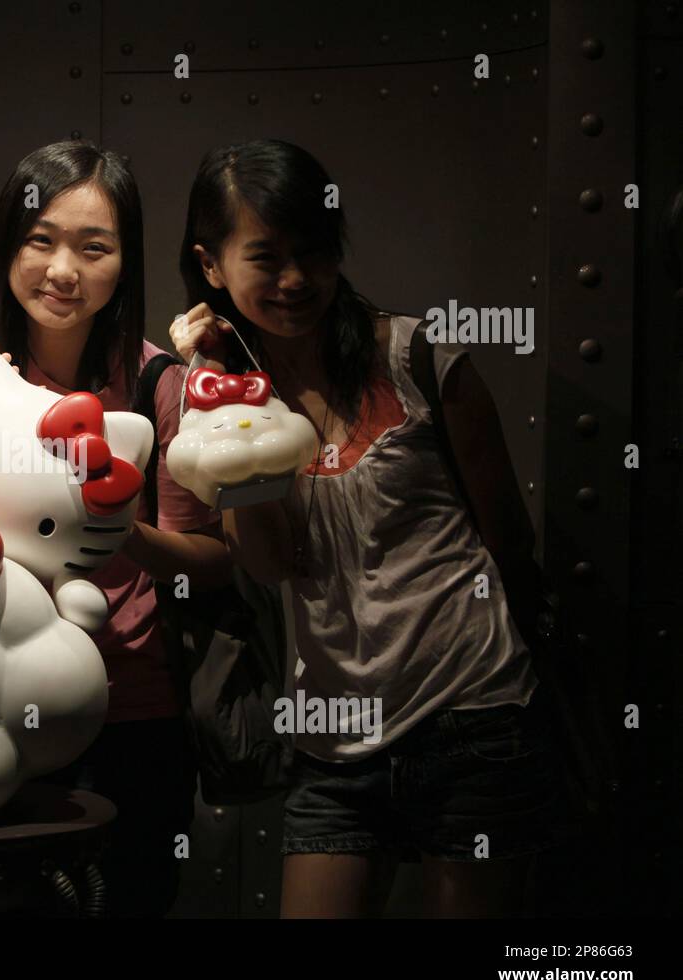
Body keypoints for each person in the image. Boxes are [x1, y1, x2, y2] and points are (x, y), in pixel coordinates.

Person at [170, 138, 570, 917]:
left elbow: (507, 540)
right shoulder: (221, 405)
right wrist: (231, 405)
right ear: (211, 266)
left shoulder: (418, 356)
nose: (295, 280)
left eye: (315, 253)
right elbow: (272, 564)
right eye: (267, 257)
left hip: (472, 714)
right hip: (334, 739)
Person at [0, 140, 234, 917]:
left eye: (93, 247)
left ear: (124, 262)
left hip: (132, 705)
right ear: (8, 245)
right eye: (41, 240)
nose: (62, 270)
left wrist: (113, 526)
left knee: (130, 898)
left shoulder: (157, 378)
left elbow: (210, 558)